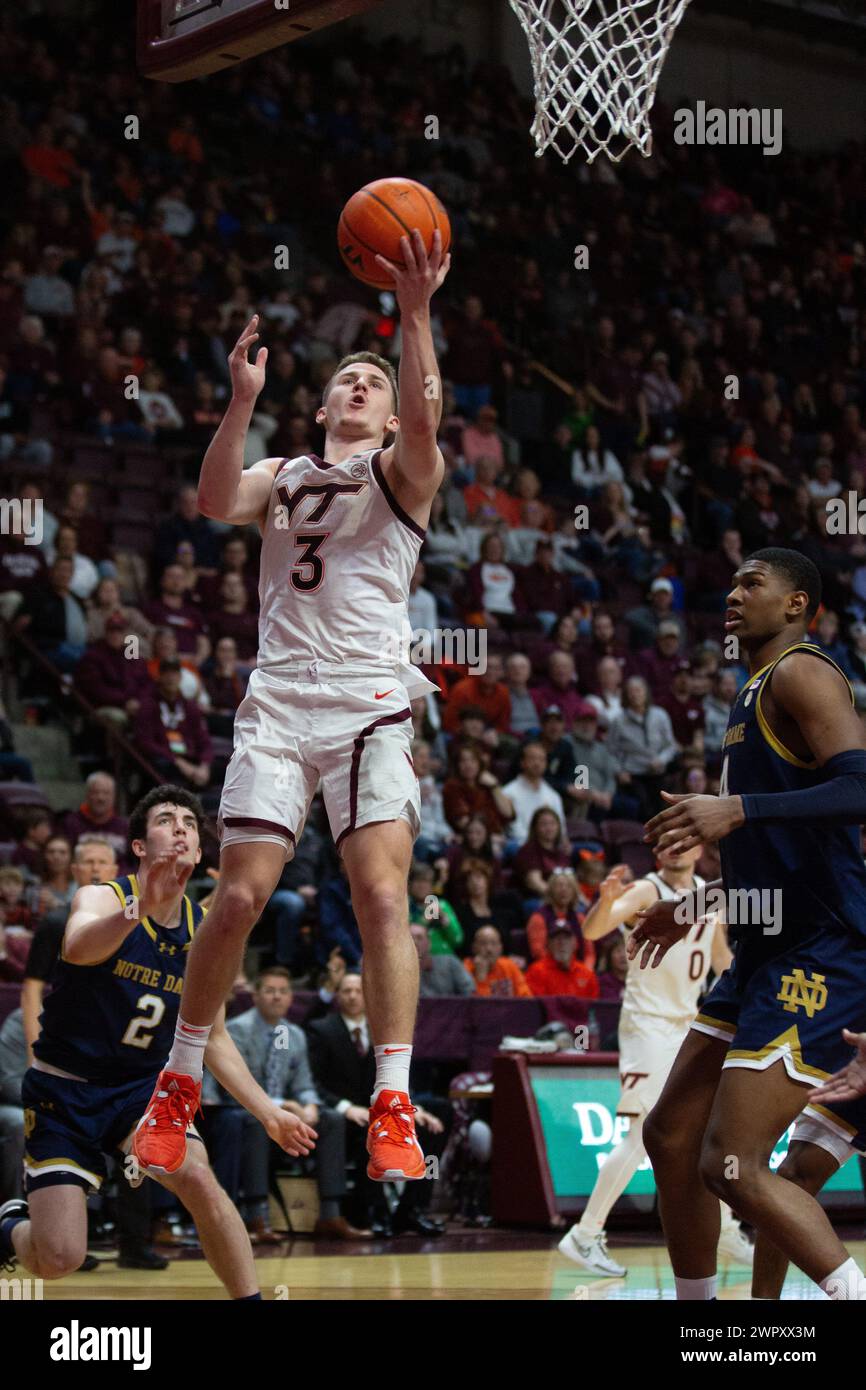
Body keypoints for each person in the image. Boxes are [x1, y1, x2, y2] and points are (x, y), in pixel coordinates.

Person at [131, 231, 453, 1185]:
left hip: (368, 705)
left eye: (375, 382)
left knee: (383, 895)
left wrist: (417, 312)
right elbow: (212, 495)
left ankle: (392, 1102)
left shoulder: (403, 475)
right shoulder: (284, 475)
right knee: (234, 895)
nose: (359, 387)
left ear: (392, 416)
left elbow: (430, 419)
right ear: (320, 405)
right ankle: (179, 1085)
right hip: (277, 702)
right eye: (346, 380)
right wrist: (239, 402)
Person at [630, 548, 866, 1302]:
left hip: (822, 950)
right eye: (729, 580)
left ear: (798, 605)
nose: (732, 593)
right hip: (763, 948)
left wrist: (738, 808)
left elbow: (860, 787)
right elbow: (773, 855)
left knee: (732, 1160)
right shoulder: (751, 690)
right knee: (670, 1136)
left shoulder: (803, 672)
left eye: (751, 583)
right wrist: (697, 903)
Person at [0, 785, 316, 1297]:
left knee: (198, 1176)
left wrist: (268, 1112)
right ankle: (11, 1225)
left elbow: (212, 1039)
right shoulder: (104, 896)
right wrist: (140, 907)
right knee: (59, 1257)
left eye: (190, 823)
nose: (181, 829)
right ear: (141, 847)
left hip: (142, 1090)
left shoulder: (205, 931)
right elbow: (79, 947)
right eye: (167, 820)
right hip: (66, 1090)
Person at [560, 850, 740, 1276]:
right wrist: (606, 902)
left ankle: (728, 1230)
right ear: (658, 850)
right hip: (647, 1026)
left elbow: (720, 960)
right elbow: (595, 929)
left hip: (687, 1025)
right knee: (642, 1135)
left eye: (684, 840)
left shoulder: (706, 895)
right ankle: (584, 1234)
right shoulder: (647, 889)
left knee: (704, 1129)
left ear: (699, 849)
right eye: (666, 841)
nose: (676, 848)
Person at [204, 967, 370, 1242]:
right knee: (258, 1121)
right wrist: (278, 1107)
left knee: (331, 1119)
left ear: (291, 998)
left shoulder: (296, 1034)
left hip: (284, 1111)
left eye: (283, 992)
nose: (276, 998)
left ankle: (330, 1213)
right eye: (269, 991)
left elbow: (304, 1083)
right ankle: (258, 1215)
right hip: (242, 1109)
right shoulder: (236, 1030)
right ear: (255, 996)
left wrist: (310, 1105)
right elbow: (231, 1089)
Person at [306, 971, 448, 1236]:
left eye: (358, 990)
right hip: (347, 1116)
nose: (352, 996)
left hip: (386, 1108)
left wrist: (415, 1108)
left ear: (369, 995)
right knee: (367, 1131)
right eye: (346, 990)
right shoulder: (322, 1029)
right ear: (337, 996)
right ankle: (375, 1211)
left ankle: (413, 1208)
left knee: (438, 1117)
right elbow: (311, 1082)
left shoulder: (385, 1030)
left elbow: (398, 1075)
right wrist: (346, 1107)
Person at [502, 740, 565, 844]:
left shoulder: (553, 795)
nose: (537, 763)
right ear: (522, 763)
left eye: (541, 759)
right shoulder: (508, 793)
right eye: (532, 759)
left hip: (549, 845)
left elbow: (561, 829)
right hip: (521, 846)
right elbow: (513, 830)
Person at [524, 925, 600, 999]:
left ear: (575, 943)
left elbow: (595, 1008)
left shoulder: (587, 974)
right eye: (556, 939)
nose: (562, 943)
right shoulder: (536, 972)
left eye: (566, 938)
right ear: (549, 944)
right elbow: (535, 1007)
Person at [464, 925, 531, 998]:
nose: (489, 949)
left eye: (494, 943)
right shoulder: (466, 969)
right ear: (474, 948)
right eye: (483, 943)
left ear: (500, 948)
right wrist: (481, 980)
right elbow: (472, 1006)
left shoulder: (509, 966)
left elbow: (526, 998)